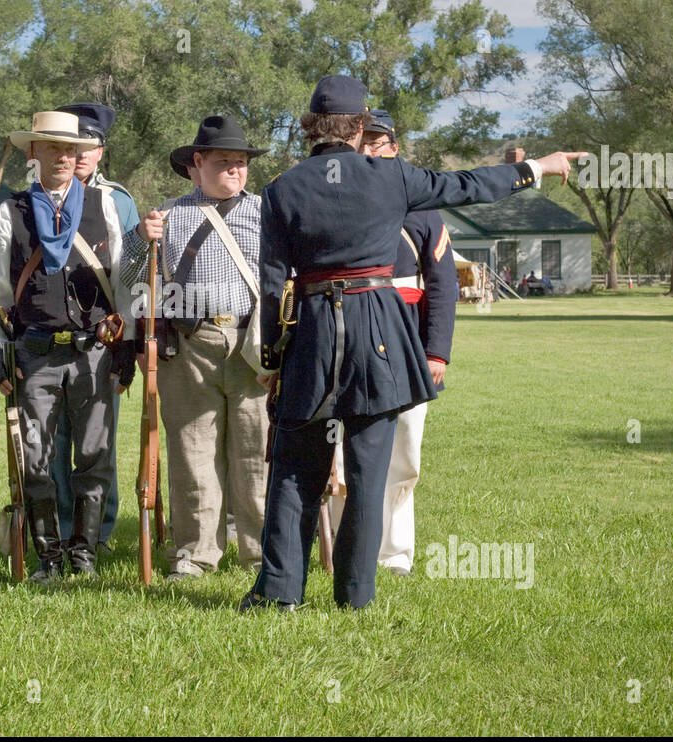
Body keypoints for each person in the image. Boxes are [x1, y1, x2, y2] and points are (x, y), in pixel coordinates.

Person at [243, 76, 580, 611]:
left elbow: (269, 284)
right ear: (359, 127)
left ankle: (281, 595)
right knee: (368, 473)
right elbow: (470, 184)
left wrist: (272, 358)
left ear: (311, 128)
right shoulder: (393, 178)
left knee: (292, 472)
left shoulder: (281, 189)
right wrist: (536, 167)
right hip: (379, 334)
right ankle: (355, 597)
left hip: (311, 333)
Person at [0, 110, 137, 581]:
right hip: (36, 352)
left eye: (70, 149)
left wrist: (125, 346)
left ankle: (84, 554)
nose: (64, 157)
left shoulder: (103, 205)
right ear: (35, 153)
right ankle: (47, 556)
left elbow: (124, 282)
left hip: (94, 350)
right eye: (53, 148)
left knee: (94, 456)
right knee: (37, 456)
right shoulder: (12, 212)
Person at [124, 115, 270, 581]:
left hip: (253, 343)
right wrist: (137, 242)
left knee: (257, 452)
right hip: (189, 344)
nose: (235, 168)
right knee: (192, 454)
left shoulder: (268, 213)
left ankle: (263, 555)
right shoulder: (165, 215)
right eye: (224, 160)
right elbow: (128, 281)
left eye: (241, 161)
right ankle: (194, 555)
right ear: (196, 165)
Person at [326, 108, 457, 577]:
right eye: (364, 142)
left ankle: (394, 553)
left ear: (395, 150)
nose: (370, 151)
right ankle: (345, 547)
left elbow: (442, 285)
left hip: (406, 351)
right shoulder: (336, 198)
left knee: (404, 455)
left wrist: (435, 352)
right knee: (342, 453)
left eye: (379, 143)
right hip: (347, 346)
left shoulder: (421, 211)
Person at [49, 103, 139, 549]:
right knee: (52, 441)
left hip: (102, 338)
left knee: (98, 442)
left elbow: (131, 273)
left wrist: (129, 344)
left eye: (90, 145)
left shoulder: (119, 202)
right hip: (49, 336)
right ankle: (62, 531)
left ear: (101, 151)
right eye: (73, 145)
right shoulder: (34, 197)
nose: (81, 154)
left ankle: (97, 533)